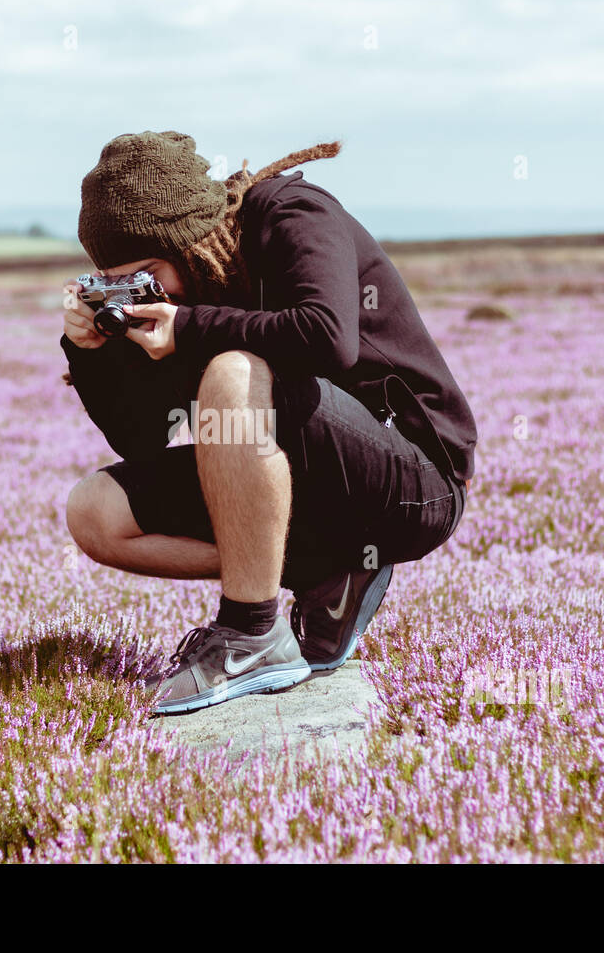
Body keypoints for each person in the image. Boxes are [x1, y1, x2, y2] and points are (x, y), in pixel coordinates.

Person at [60, 130, 477, 715]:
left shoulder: (292, 213)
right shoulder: (178, 299)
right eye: (121, 281)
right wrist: (91, 353)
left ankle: (251, 634)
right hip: (294, 485)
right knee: (95, 512)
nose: (145, 294)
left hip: (414, 481)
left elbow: (329, 337)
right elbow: (142, 443)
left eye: (151, 272)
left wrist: (189, 328)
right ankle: (324, 570)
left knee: (234, 371)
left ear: (190, 239)